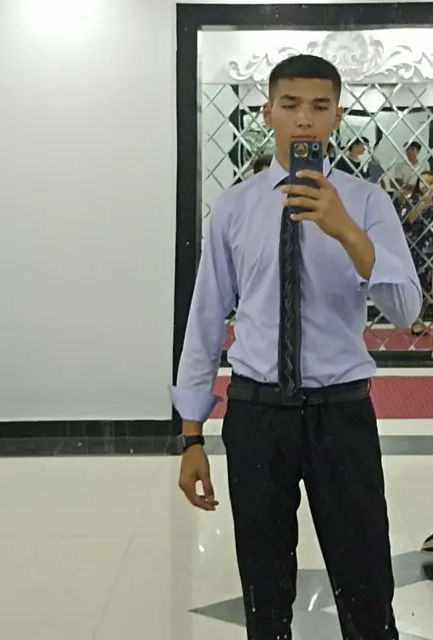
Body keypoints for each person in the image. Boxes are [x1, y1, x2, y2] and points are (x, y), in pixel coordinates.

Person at [172, 54, 422, 640]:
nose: (304, 119)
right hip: (257, 415)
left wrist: (345, 230)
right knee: (264, 596)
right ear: (268, 113)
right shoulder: (234, 208)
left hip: (341, 414)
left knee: (366, 590)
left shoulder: (366, 203)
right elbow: (205, 318)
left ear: (337, 116)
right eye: (290, 105)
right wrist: (190, 436)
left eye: (318, 106)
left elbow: (407, 310)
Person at [402, 170, 433, 335]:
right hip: (415, 248)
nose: (427, 186)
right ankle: (415, 320)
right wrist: (422, 204)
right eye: (424, 182)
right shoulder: (411, 199)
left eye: (431, 183)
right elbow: (409, 220)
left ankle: (419, 318)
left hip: (430, 247)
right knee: (419, 284)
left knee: (428, 285)